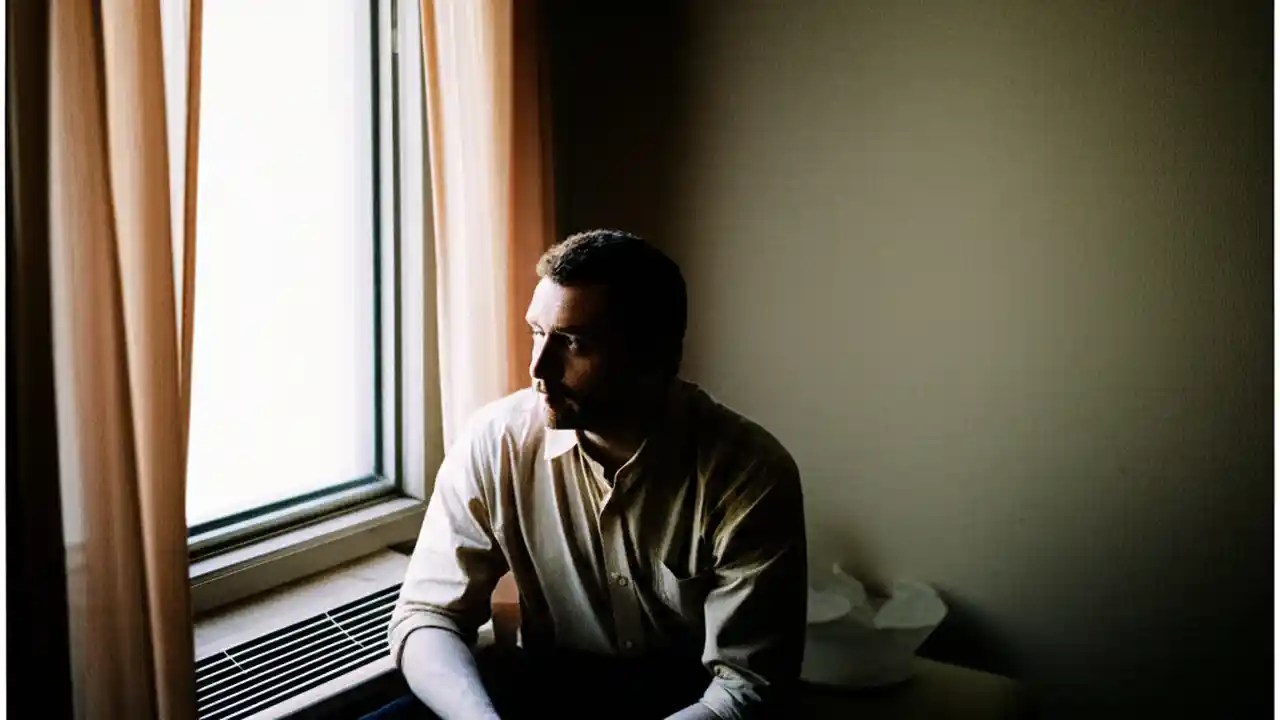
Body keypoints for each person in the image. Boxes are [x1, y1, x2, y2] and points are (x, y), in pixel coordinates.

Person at [372, 230, 807, 719]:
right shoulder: (498, 440)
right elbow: (427, 615)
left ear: (655, 355)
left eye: (573, 343)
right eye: (537, 332)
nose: (539, 368)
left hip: (688, 698)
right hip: (547, 683)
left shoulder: (749, 474)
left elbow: (747, 687)